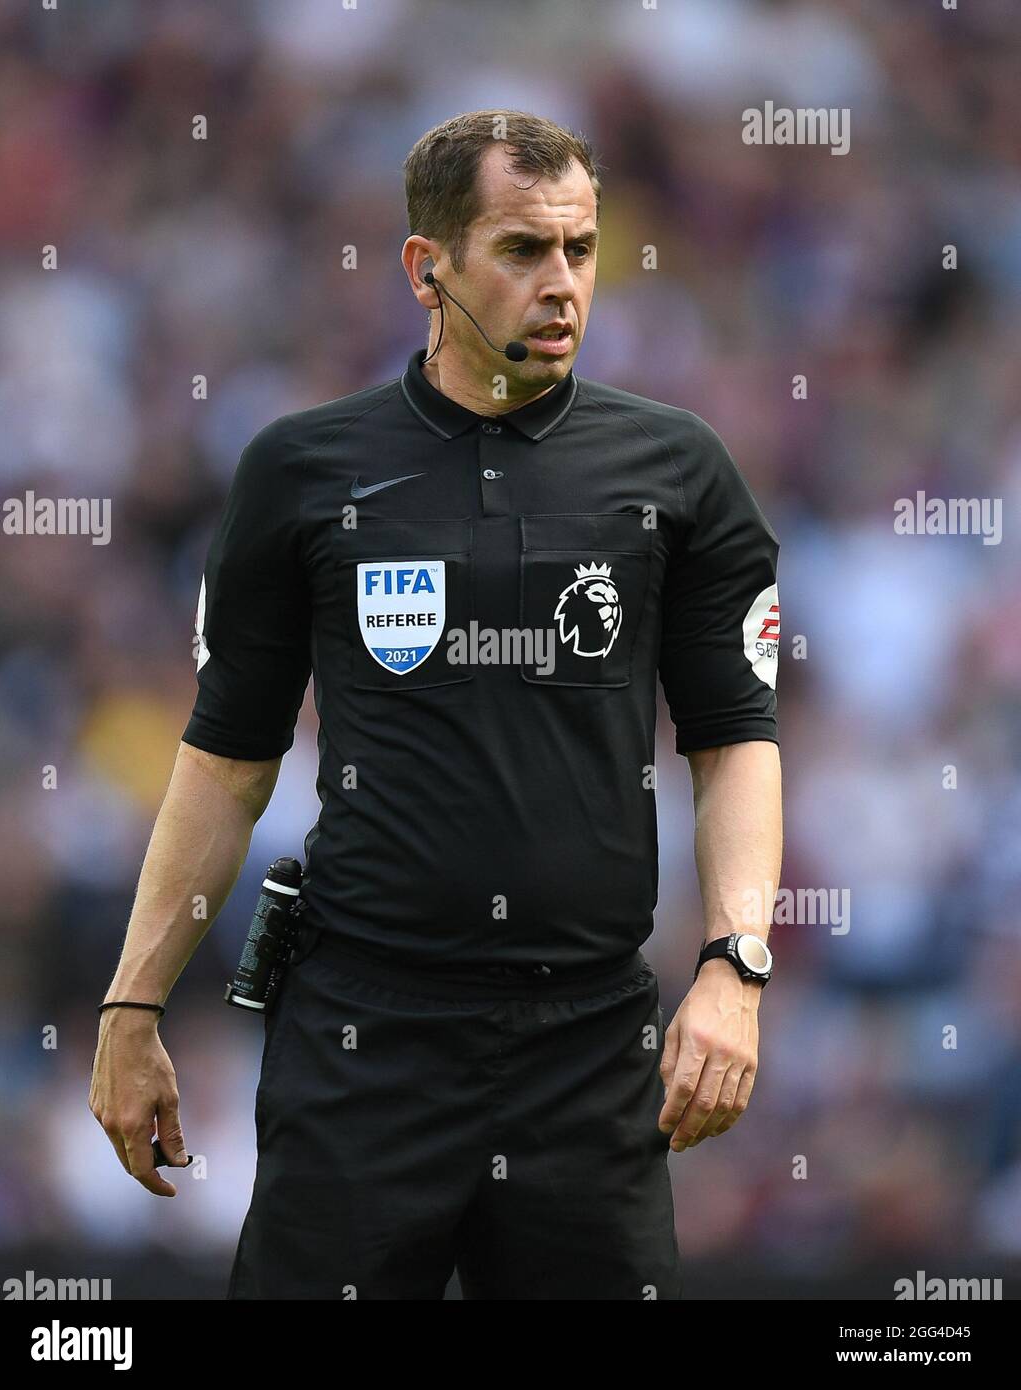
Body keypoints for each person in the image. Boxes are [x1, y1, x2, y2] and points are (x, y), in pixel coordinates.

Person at [90, 109, 783, 1300]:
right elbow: (225, 761)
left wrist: (731, 967)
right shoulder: (303, 473)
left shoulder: (678, 473)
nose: (561, 282)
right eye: (521, 250)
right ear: (427, 268)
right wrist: (131, 1001)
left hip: (586, 1042)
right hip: (365, 1038)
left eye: (580, 248)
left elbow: (733, 744)